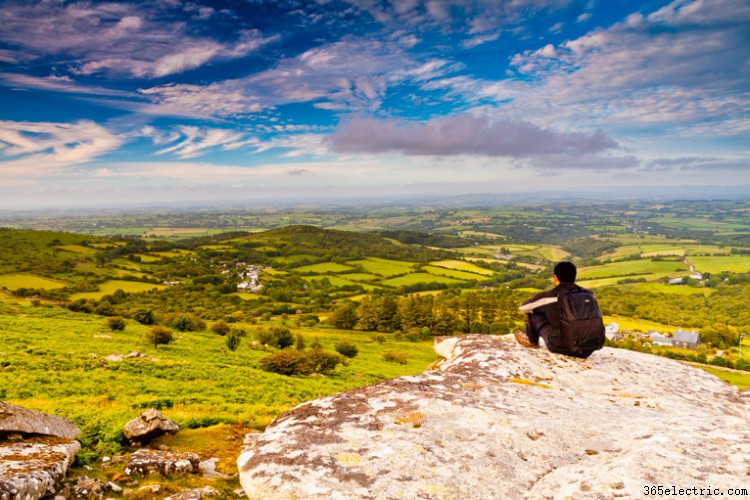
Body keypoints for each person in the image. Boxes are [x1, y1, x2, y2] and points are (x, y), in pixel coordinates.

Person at [515, 261, 599, 358]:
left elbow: (523, 308)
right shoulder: (588, 295)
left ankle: (531, 340)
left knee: (534, 312)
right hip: (586, 350)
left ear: (555, 278)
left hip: (559, 346)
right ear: (574, 277)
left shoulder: (550, 296)